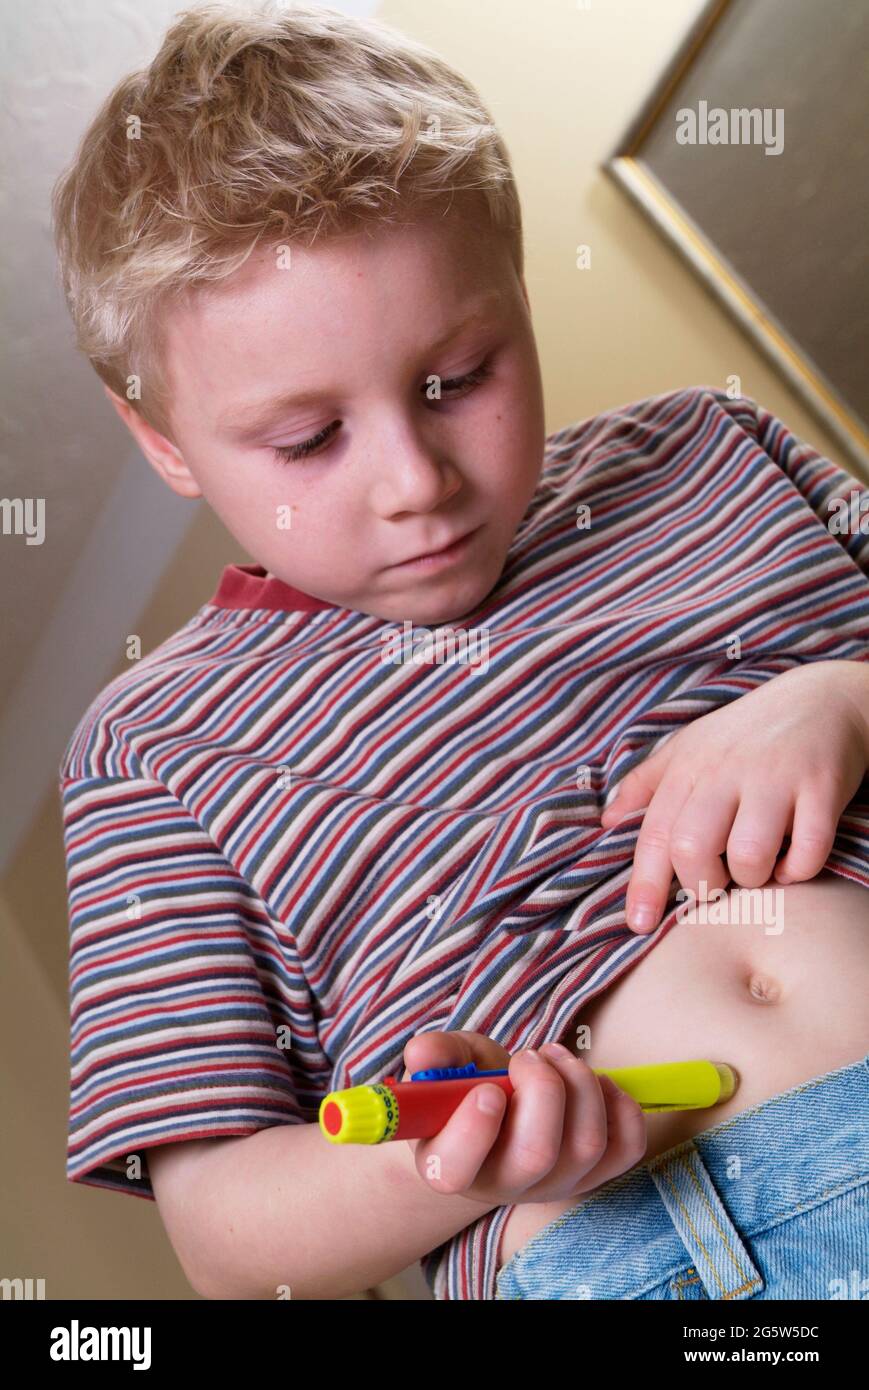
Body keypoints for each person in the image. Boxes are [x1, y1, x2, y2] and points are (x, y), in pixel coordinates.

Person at [52, 2, 869, 1300]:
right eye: (308, 439)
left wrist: (842, 696)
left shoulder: (713, 448)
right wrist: (456, 1158)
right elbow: (223, 1232)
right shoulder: (152, 748)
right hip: (639, 1263)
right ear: (160, 437)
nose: (412, 480)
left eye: (458, 376)